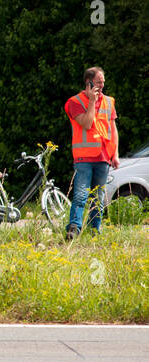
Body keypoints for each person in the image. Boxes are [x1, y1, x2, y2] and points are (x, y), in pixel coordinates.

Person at [64, 66, 118, 240]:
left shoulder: (109, 101)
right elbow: (87, 124)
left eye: (103, 83)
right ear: (88, 83)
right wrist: (91, 102)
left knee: (98, 197)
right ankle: (74, 228)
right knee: (81, 194)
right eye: (98, 83)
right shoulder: (74, 102)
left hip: (104, 156)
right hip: (84, 157)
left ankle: (94, 230)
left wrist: (115, 153)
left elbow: (113, 129)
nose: (102, 86)